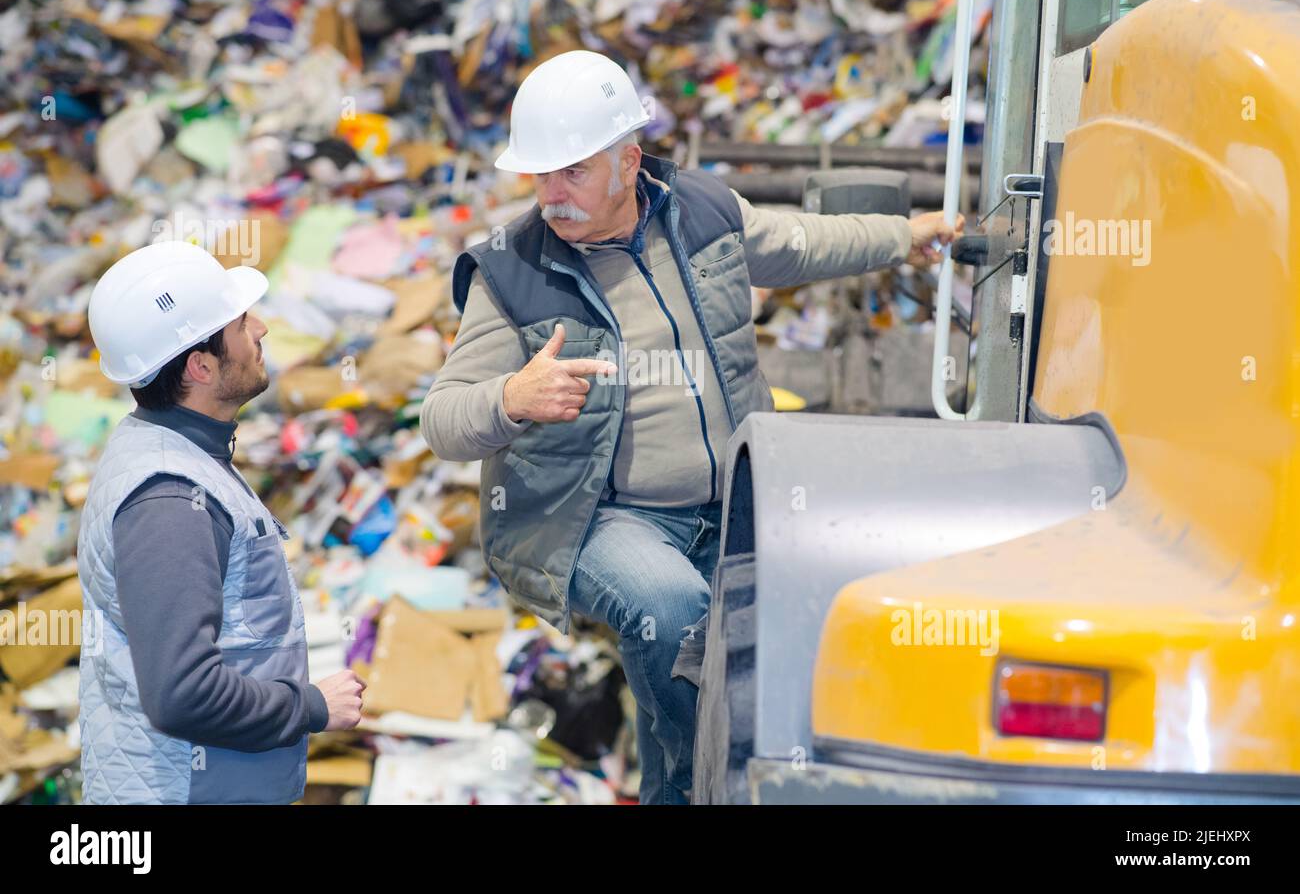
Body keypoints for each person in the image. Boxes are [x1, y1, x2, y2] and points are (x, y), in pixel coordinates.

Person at [421, 50, 963, 804]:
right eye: (539, 176)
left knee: (806, 633)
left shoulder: (703, 209)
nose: (552, 196)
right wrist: (511, 397)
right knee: (674, 617)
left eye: (571, 172)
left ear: (628, 161)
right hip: (602, 517)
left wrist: (906, 234)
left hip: (740, 495)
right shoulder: (508, 272)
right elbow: (442, 421)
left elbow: (802, 245)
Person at [78, 241, 364, 804]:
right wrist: (310, 706)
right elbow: (183, 695)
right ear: (201, 365)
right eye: (239, 323)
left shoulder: (166, 446)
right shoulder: (170, 501)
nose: (260, 329)